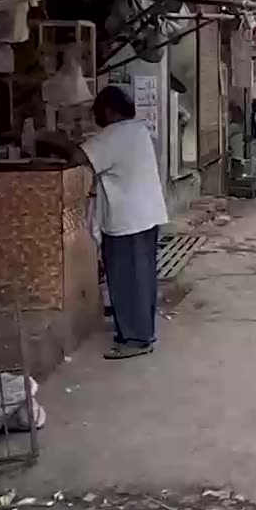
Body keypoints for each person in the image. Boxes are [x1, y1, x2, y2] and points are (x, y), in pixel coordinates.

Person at [78, 87, 170, 359]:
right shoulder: (138, 130)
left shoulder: (113, 136)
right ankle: (142, 332)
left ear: (108, 110)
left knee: (126, 280)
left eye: (96, 111)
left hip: (128, 219)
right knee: (141, 279)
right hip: (146, 215)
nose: (94, 116)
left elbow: (78, 157)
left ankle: (135, 339)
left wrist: (47, 140)